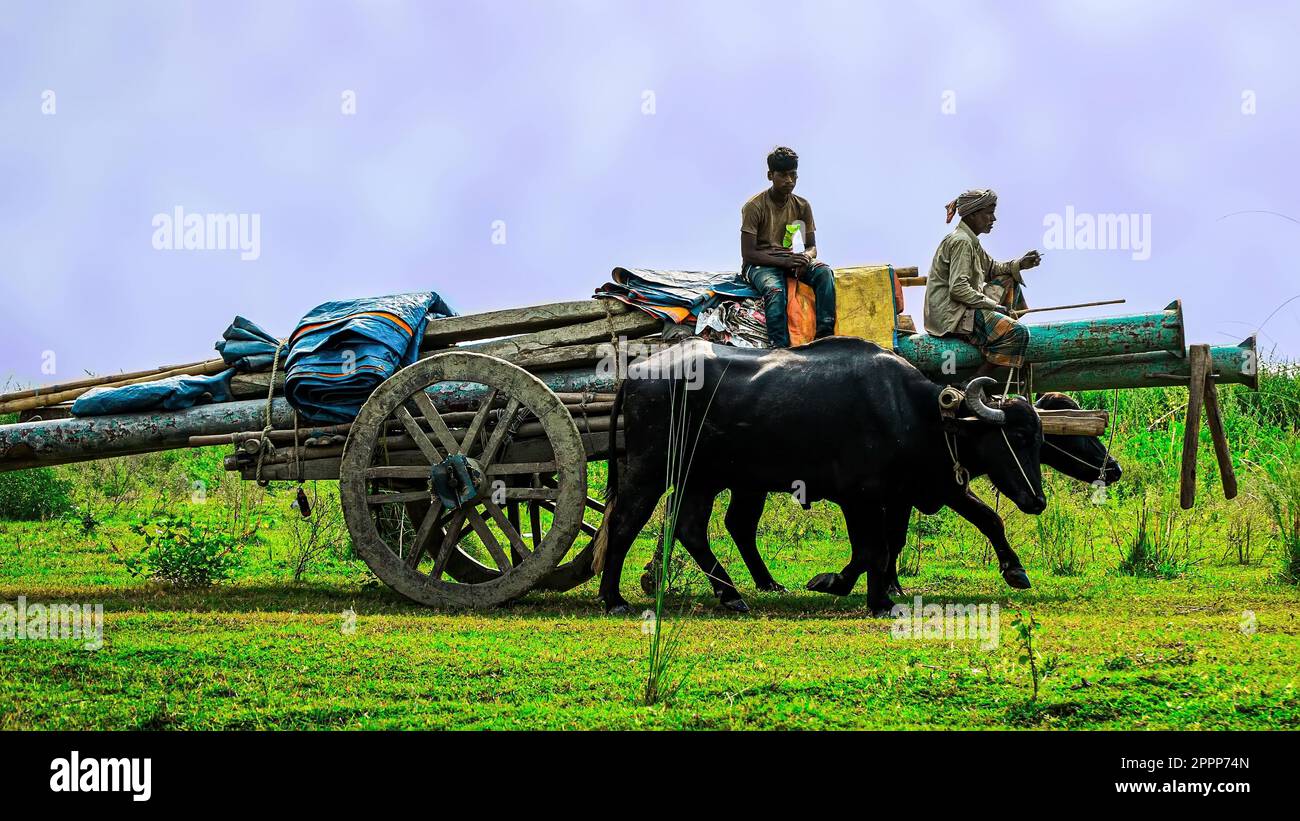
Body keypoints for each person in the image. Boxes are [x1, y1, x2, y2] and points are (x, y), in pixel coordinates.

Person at [923, 189, 1041, 383]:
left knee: (1010, 279)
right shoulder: (961, 242)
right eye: (989, 212)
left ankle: (996, 330)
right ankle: (974, 382)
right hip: (953, 315)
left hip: (964, 307)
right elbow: (958, 289)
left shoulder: (971, 241)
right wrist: (993, 306)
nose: (993, 218)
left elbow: (993, 268)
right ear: (973, 214)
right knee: (1018, 333)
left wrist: (1020, 264)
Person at [740, 146, 836, 348]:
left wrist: (806, 258)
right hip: (760, 264)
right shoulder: (754, 206)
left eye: (793, 175)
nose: (789, 181)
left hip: (789, 261)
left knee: (824, 273)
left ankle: (825, 337)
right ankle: (779, 348)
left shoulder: (802, 206)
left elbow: (811, 247)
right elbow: (748, 254)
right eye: (783, 175)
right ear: (770, 175)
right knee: (775, 291)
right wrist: (784, 261)